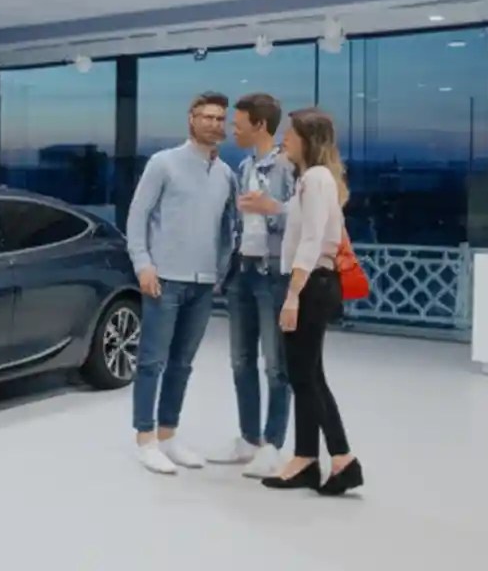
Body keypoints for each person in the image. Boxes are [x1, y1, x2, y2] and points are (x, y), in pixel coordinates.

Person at [126, 91, 238, 475]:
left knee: (182, 364)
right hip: (164, 279)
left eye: (221, 118)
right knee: (151, 361)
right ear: (191, 119)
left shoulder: (226, 174)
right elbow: (137, 217)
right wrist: (143, 265)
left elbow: (228, 230)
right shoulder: (164, 164)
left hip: (203, 284)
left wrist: (221, 270)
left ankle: (169, 436)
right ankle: (145, 440)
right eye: (207, 117)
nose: (214, 124)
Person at [262, 107, 363, 496]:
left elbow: (313, 240)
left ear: (308, 140)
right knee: (306, 375)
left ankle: (342, 459)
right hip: (314, 283)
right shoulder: (313, 180)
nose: (284, 139)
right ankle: (306, 458)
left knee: (304, 377)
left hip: (312, 284)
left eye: (291, 133)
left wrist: (292, 296)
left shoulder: (316, 179)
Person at [208, 93, 296, 478]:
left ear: (260, 125)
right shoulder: (241, 166)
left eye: (238, 124)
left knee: (277, 365)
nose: (232, 130)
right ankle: (248, 438)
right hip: (241, 272)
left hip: (274, 275)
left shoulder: (287, 168)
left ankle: (273, 445)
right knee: (240, 360)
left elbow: (303, 219)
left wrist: (271, 210)